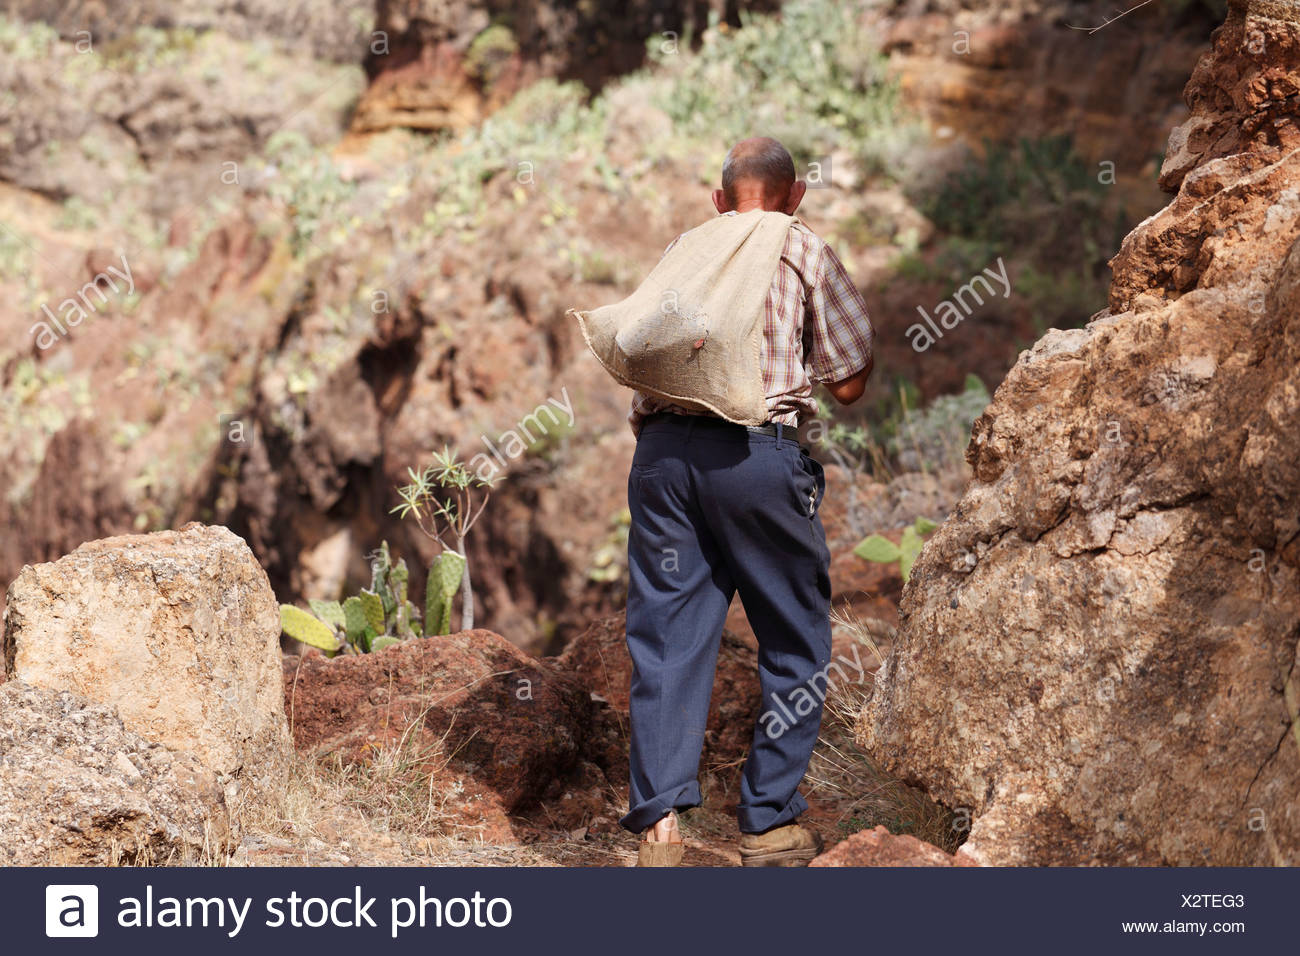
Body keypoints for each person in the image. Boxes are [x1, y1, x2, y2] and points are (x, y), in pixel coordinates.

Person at [622, 137, 875, 866]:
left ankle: (661, 832)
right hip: (756, 461)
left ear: (718, 199)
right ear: (794, 197)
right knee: (795, 637)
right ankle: (766, 822)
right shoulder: (802, 248)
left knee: (667, 639)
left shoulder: (685, 247)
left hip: (663, 460)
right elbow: (850, 380)